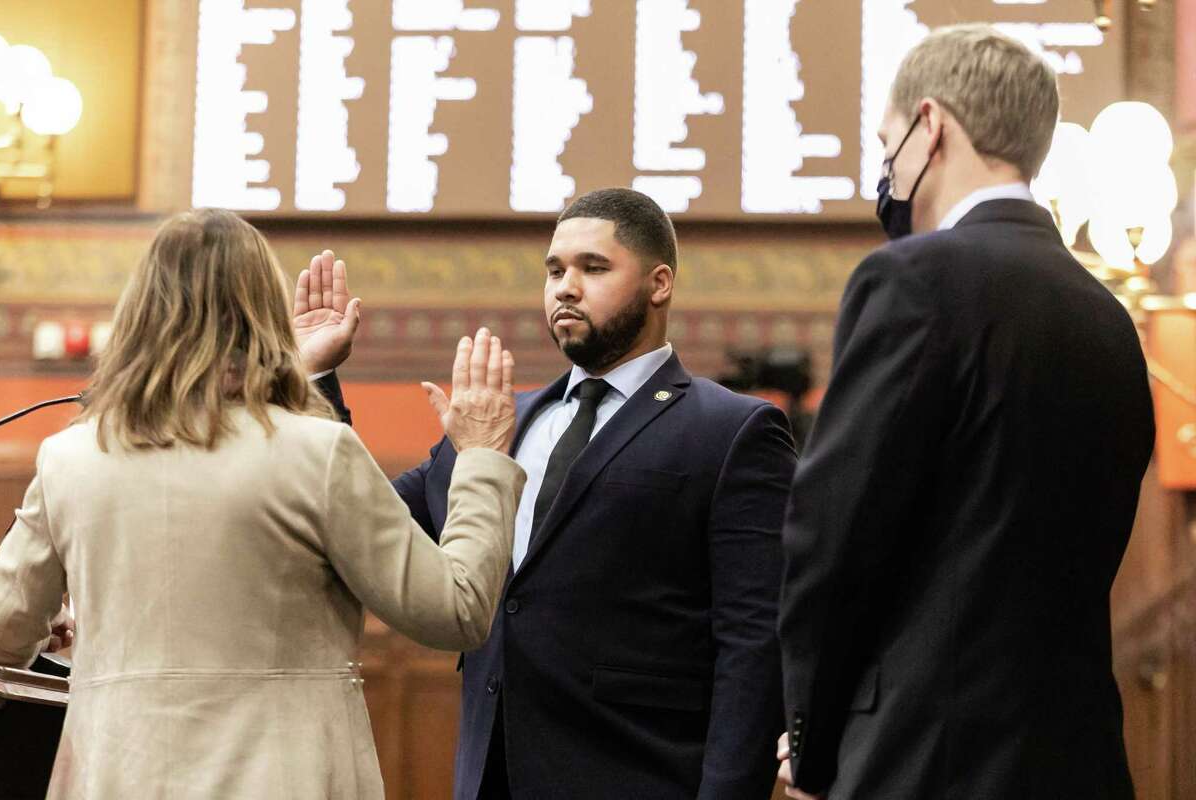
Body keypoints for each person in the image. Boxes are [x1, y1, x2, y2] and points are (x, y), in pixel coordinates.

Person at [0, 208, 526, 799]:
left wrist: (56, 627)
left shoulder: (69, 457)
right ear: (263, 314)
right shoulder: (315, 452)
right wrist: (480, 458)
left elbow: (3, 631)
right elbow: (454, 611)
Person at [313, 188, 797, 799]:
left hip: (640, 779)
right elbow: (361, 522)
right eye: (554, 270)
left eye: (593, 268)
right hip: (492, 777)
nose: (566, 287)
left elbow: (753, 642)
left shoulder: (730, 430)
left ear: (660, 283)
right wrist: (317, 381)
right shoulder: (493, 425)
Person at [775, 25, 1155, 800]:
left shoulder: (913, 279)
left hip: (924, 758)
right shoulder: (1109, 317)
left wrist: (811, 749)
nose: (884, 170)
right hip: (1078, 757)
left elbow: (833, 537)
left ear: (930, 124)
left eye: (886, 143)